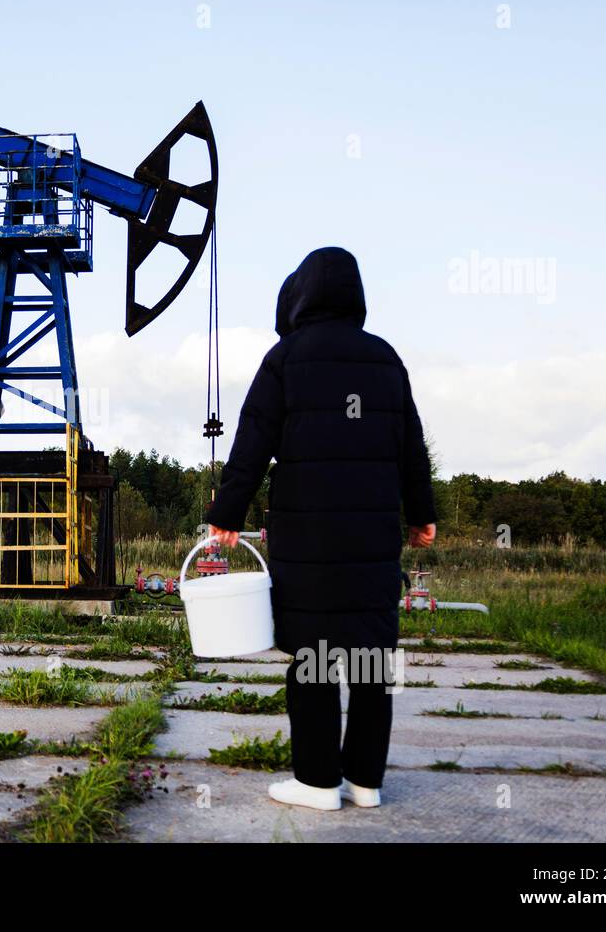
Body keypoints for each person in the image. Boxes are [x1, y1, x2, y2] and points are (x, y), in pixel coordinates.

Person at [205, 247, 437, 811]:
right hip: (374, 540)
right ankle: (364, 782)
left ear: (298, 297)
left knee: (313, 659)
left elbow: (252, 441)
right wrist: (422, 513)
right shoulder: (385, 359)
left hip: (307, 543)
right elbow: (412, 447)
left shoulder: (285, 359)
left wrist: (227, 515)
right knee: (371, 663)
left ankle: (315, 783)